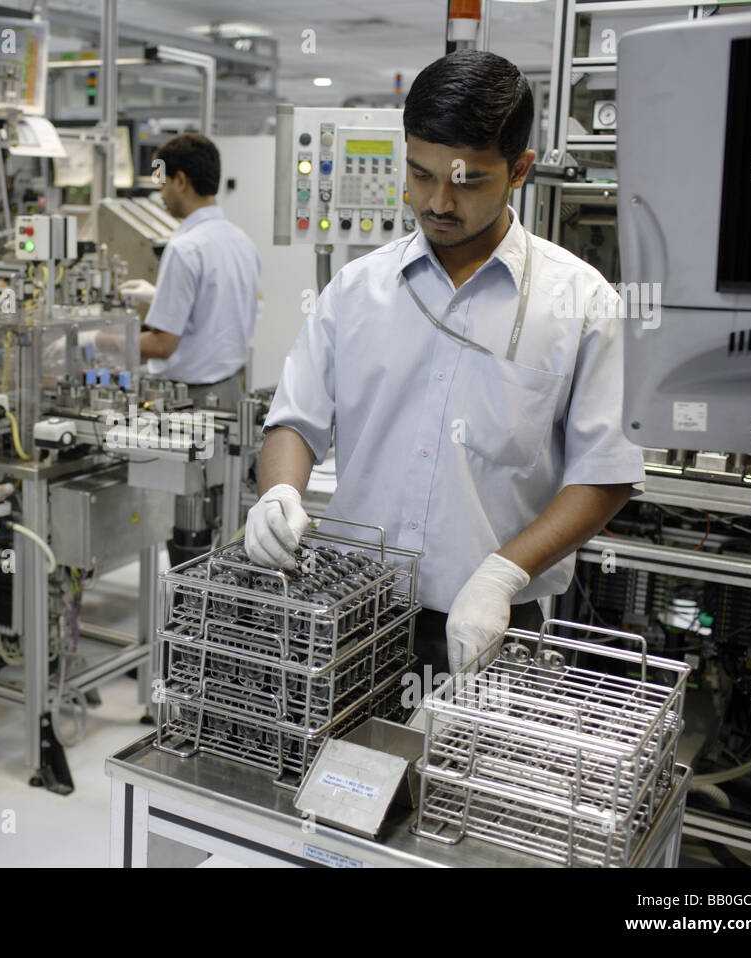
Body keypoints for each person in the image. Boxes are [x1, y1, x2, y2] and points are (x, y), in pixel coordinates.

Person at [245, 51, 645, 680]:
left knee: (465, 779)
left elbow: (606, 473)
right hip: (346, 614)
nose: (437, 201)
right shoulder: (357, 290)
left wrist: (500, 575)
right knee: (335, 777)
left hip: (490, 629)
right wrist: (278, 492)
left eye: (468, 180)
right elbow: (295, 421)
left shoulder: (581, 302)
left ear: (520, 170)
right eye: (420, 173)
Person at [119, 132, 260, 410]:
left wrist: (99, 340)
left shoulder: (185, 247)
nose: (160, 194)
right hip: (231, 390)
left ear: (181, 181)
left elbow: (162, 346)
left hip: (191, 401)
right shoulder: (241, 240)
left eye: (163, 182)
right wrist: (160, 297)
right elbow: (218, 308)